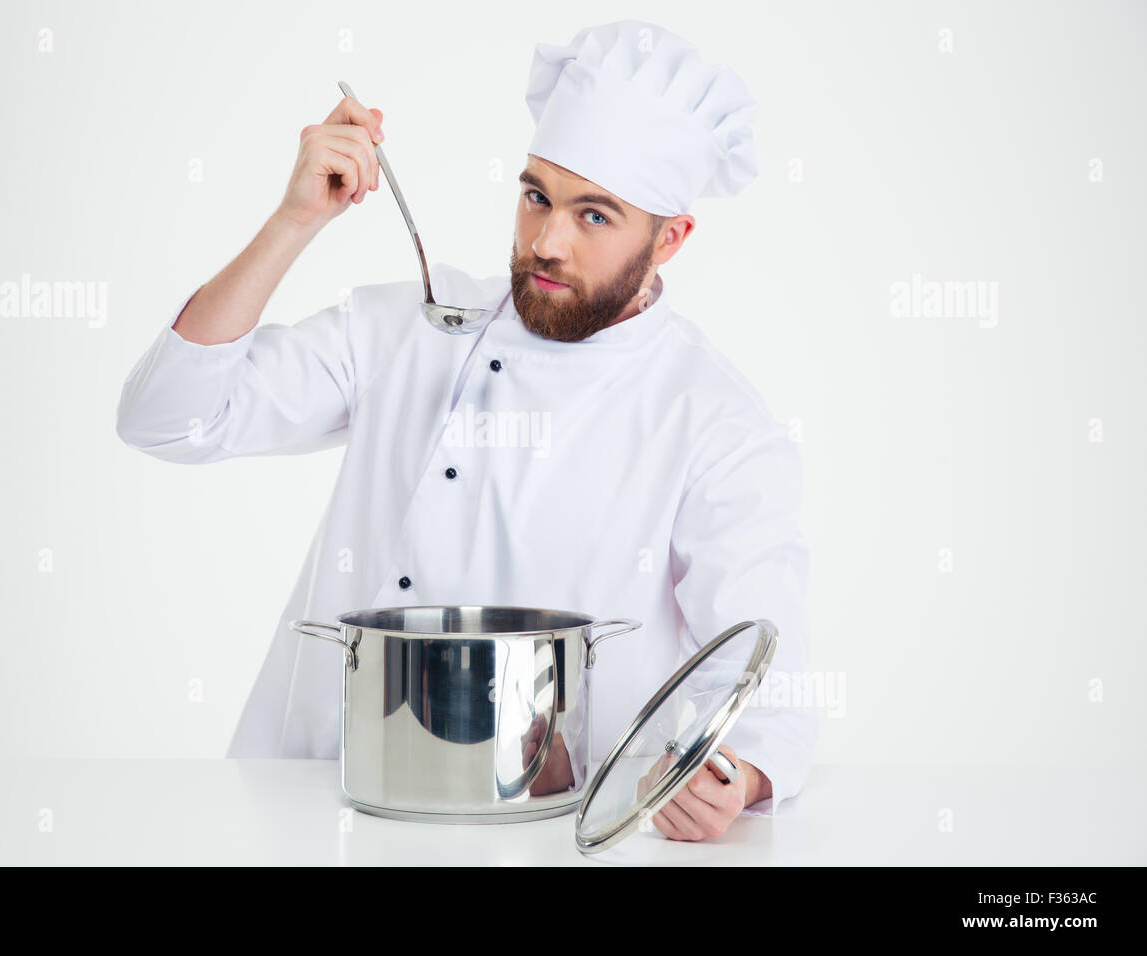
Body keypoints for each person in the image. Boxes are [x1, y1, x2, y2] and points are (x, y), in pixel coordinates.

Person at [115, 19, 817, 842]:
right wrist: (293, 222)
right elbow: (168, 419)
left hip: (545, 829)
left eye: (594, 217)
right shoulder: (408, 328)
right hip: (312, 810)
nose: (547, 242)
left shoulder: (715, 420)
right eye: (536, 197)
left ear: (671, 238)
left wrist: (730, 776)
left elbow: (764, 670)